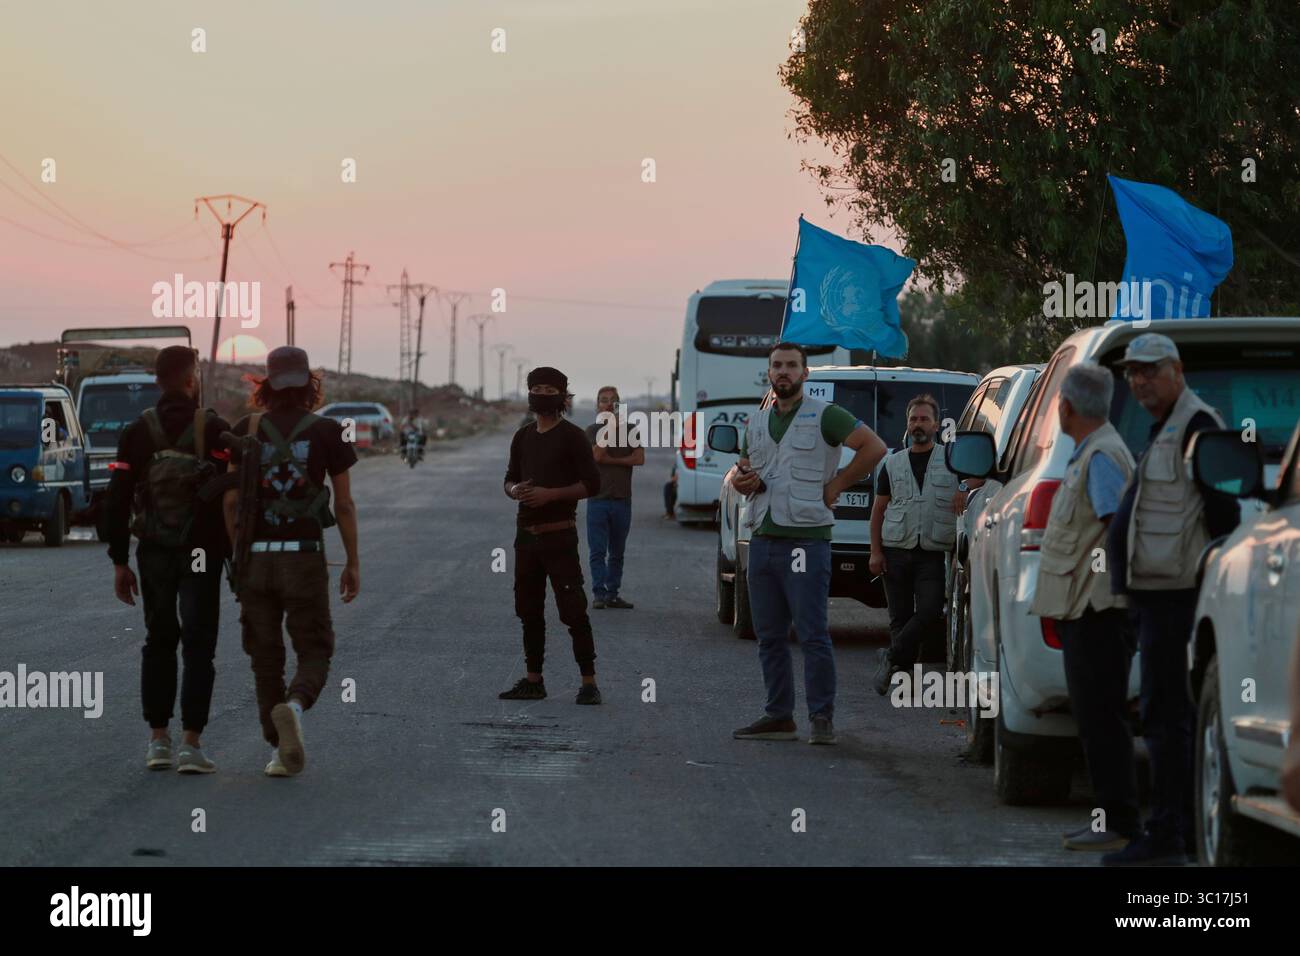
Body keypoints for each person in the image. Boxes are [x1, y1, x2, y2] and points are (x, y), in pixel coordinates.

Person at [1103, 333, 1239, 866]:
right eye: (1133, 373)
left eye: (1149, 371)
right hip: (1155, 597)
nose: (1138, 381)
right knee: (1162, 713)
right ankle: (1170, 829)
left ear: (1176, 372)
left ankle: (1168, 835)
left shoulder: (1198, 427)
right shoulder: (1165, 428)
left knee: (1168, 716)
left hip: (1177, 598)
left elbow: (1223, 514)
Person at [730, 342, 886, 745]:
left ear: (805, 373)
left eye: (791, 366)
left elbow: (874, 448)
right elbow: (744, 470)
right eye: (777, 366)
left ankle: (821, 717)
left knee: (813, 633)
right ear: (769, 374)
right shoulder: (757, 422)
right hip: (762, 537)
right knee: (769, 636)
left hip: (806, 541)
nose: (784, 372)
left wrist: (838, 484)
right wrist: (742, 479)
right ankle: (779, 715)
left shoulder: (826, 415)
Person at [223, 346, 360, 777]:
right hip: (303, 559)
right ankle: (295, 708)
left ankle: (277, 749)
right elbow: (345, 506)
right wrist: (353, 562)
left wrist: (238, 552)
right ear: (309, 384)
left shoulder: (245, 428)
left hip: (256, 561)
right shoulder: (328, 432)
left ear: (265, 385)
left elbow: (229, 501)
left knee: (265, 658)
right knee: (315, 648)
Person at [1027, 364, 1139, 852]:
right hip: (1088, 609)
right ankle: (1114, 820)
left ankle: (1118, 823)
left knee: (1102, 720)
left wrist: (1109, 593)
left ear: (1066, 407)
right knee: (1096, 719)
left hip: (1099, 610)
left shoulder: (1101, 457)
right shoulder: (1095, 450)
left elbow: (1117, 526)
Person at [105, 345, 231, 774]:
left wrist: (120, 561)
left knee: (159, 639)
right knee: (199, 643)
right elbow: (233, 497)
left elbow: (118, 500)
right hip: (200, 553)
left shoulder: (137, 432)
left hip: (154, 551)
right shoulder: (215, 430)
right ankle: (191, 745)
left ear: (158, 381)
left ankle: (158, 740)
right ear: (192, 380)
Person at [500, 366, 604, 704]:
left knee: (573, 610)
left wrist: (550, 495)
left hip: (560, 537)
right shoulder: (523, 436)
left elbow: (592, 484)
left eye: (549, 389)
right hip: (526, 538)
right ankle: (534, 680)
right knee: (528, 609)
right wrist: (516, 490)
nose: (542, 394)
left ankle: (589, 683)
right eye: (536, 388)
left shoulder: (573, 436)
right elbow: (508, 479)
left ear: (562, 397)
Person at [869, 395, 955, 694]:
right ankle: (903, 678)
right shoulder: (892, 463)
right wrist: (875, 552)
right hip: (895, 550)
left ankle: (890, 656)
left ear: (936, 425)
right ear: (907, 424)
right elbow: (878, 510)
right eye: (913, 419)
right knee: (899, 617)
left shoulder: (951, 459)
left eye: (924, 419)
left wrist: (966, 492)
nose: (918, 424)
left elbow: (979, 482)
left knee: (930, 610)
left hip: (931, 553)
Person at [586, 386, 645, 609]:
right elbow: (596, 456)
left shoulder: (631, 429)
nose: (608, 404)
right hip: (597, 500)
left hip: (622, 499)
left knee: (617, 552)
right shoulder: (591, 431)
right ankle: (599, 594)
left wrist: (611, 460)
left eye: (613, 401)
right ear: (597, 406)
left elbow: (639, 459)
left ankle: (613, 593)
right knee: (598, 551)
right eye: (603, 401)